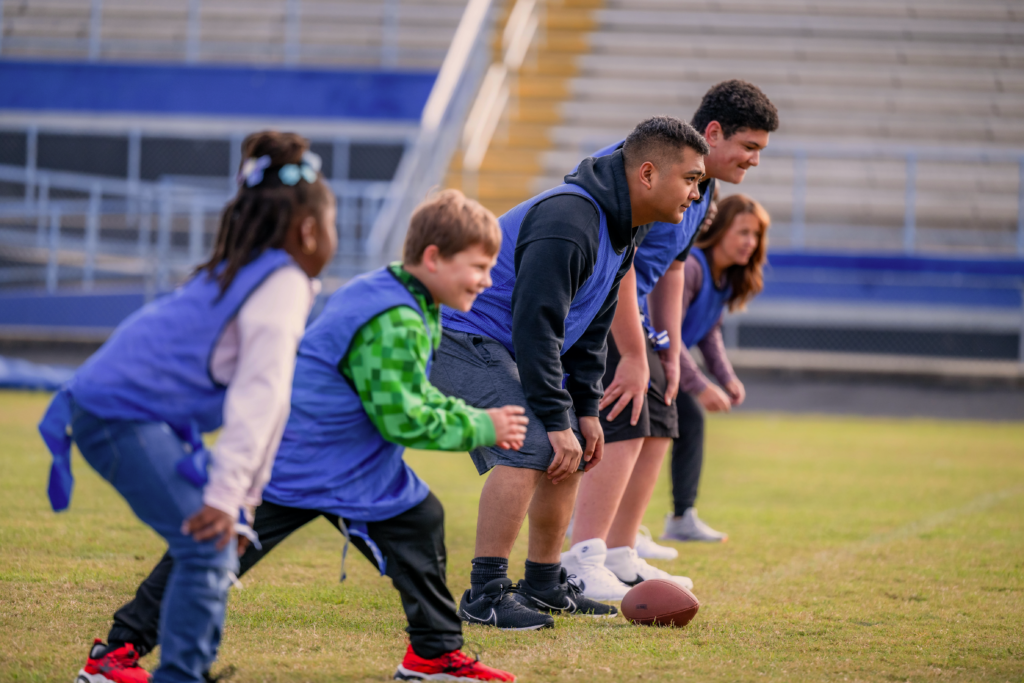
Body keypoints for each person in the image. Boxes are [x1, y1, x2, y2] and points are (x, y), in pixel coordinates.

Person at [70, 189, 526, 683]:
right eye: (479, 267)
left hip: (344, 464)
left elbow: (405, 393)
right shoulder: (393, 318)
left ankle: (434, 654)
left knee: (418, 519)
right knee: (217, 547)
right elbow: (402, 417)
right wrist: (482, 424)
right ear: (434, 258)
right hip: (295, 463)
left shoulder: (394, 293)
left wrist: (464, 413)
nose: (486, 281)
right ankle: (114, 655)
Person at [39, 131, 338, 683]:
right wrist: (225, 496)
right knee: (208, 548)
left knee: (214, 542)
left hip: (117, 409)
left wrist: (244, 496)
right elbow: (260, 394)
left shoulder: (255, 272)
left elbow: (271, 404)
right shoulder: (283, 281)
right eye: (335, 223)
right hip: (117, 414)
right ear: (309, 229)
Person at [432, 116, 708, 629]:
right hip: (454, 335)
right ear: (647, 174)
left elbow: (589, 329)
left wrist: (584, 412)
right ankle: (486, 594)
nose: (696, 193)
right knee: (532, 441)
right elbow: (536, 324)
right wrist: (557, 421)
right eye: (691, 179)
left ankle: (542, 585)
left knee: (575, 448)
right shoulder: (571, 217)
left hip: (503, 343)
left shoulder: (626, 226)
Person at [565, 80, 779, 599]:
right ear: (713, 132)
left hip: (638, 315)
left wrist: (670, 349)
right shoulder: (658, 176)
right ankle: (582, 555)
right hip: (602, 309)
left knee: (662, 417)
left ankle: (620, 552)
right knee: (625, 418)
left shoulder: (706, 192)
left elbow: (673, 268)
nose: (754, 160)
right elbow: (626, 262)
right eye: (748, 146)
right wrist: (638, 352)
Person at [664, 194, 769, 545]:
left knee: (687, 423)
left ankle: (681, 517)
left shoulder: (723, 278)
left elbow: (709, 331)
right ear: (721, 229)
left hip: (666, 368)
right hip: (643, 361)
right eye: (743, 232)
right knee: (638, 435)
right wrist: (700, 385)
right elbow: (667, 333)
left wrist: (726, 377)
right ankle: (591, 525)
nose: (750, 243)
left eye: (755, 236)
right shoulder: (692, 266)